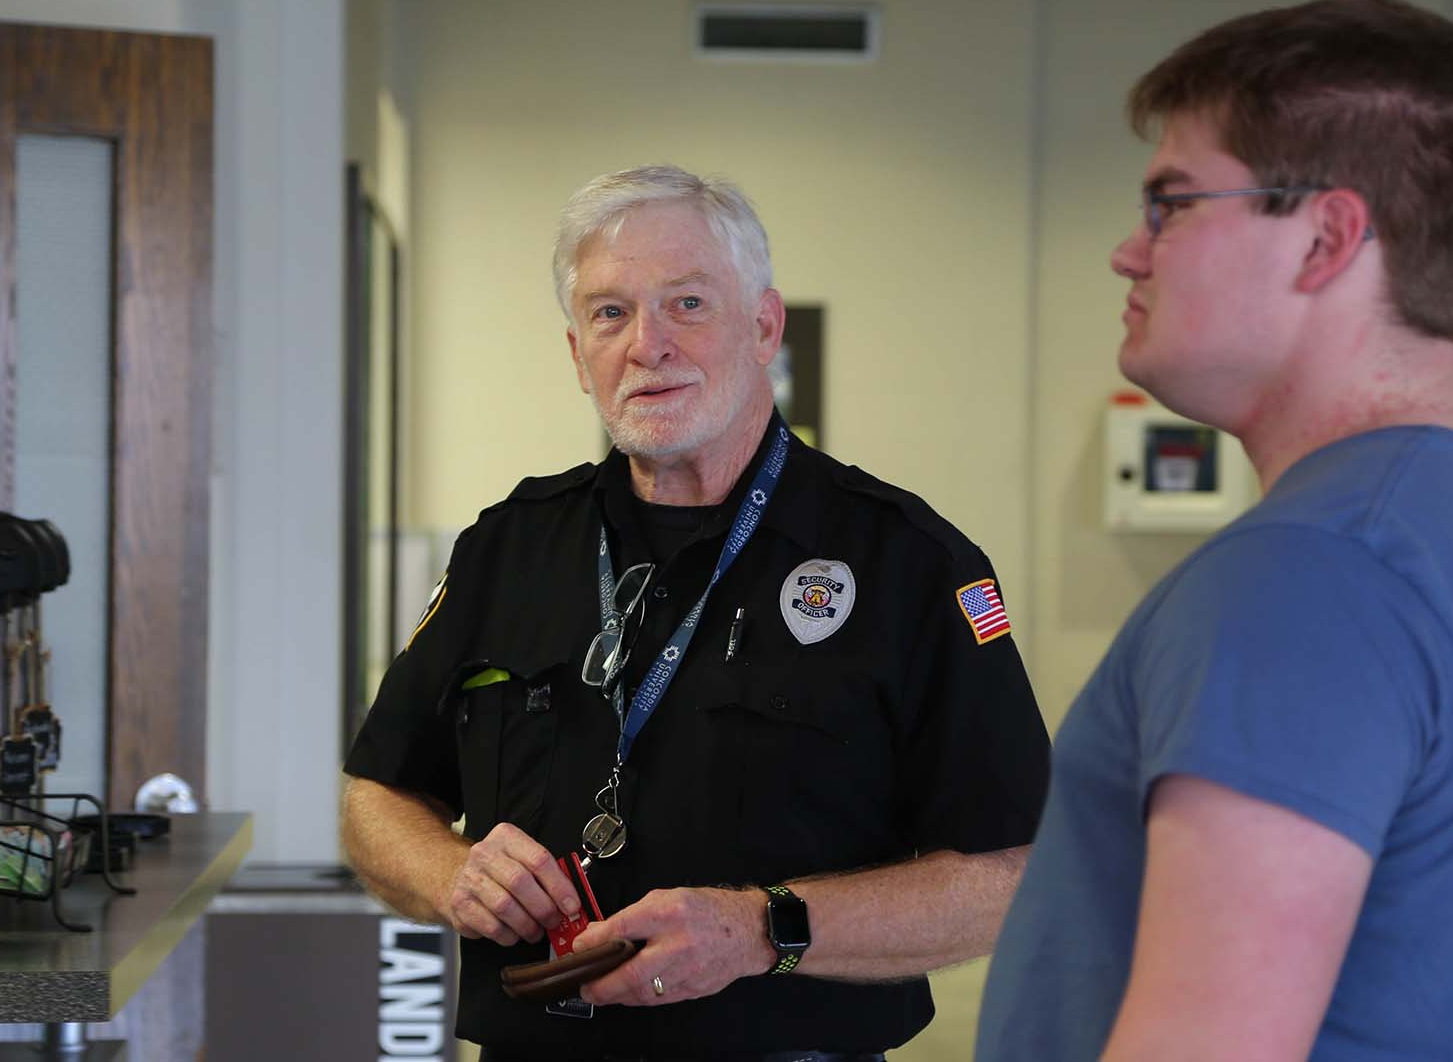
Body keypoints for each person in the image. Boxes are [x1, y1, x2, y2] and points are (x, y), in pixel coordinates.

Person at [974, 0, 1453, 1061]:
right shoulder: (1442, 522)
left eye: (1171, 203)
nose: (1129, 250)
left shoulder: (1310, 573)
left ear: (1326, 236)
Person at [343, 165, 1051, 1061]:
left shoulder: (908, 564)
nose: (646, 345)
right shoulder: (508, 548)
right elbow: (377, 795)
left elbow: (1011, 873)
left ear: (762, 327)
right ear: (575, 353)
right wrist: (449, 874)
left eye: (686, 303)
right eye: (609, 313)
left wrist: (766, 929)